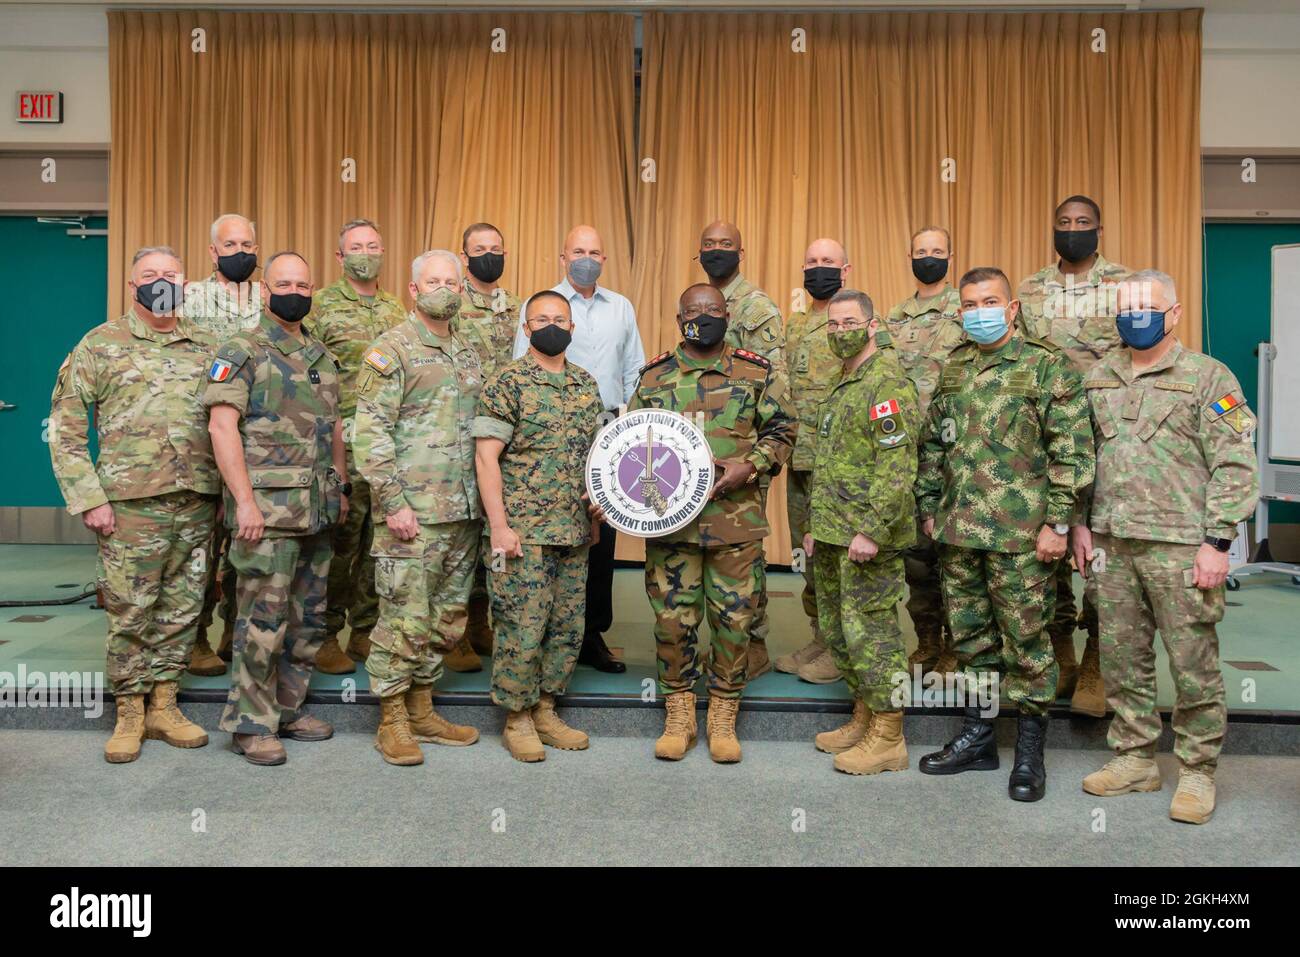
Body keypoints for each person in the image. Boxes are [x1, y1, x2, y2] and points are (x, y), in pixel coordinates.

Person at [1075, 270, 1259, 824]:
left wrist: (1218, 541)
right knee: (1121, 659)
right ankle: (1134, 759)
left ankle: (1198, 771)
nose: (1135, 316)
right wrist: (1079, 524)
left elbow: (1234, 463)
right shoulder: (1098, 376)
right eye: (1126, 307)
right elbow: (1081, 459)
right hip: (1110, 540)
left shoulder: (1209, 378)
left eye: (1147, 307)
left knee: (1191, 662)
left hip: (1182, 546)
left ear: (1173, 314)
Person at [915, 267, 1094, 802]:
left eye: (989, 301)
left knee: (1028, 646)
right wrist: (929, 506)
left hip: (1024, 538)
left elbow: (1074, 454)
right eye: (969, 304)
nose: (978, 312)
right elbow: (933, 443)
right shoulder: (954, 367)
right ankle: (979, 738)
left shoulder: (1047, 366)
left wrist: (1059, 523)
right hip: (960, 533)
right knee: (971, 641)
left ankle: (1031, 751)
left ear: (1012, 308)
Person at [50, 246, 219, 763]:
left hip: (196, 499)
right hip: (129, 504)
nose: (161, 282)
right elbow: (65, 430)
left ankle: (165, 703)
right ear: (132, 287)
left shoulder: (207, 345)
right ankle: (128, 709)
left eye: (171, 275)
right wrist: (88, 499)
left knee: (184, 607)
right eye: (150, 275)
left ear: (186, 284)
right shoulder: (100, 345)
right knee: (130, 609)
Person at [630, 284, 796, 764]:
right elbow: (630, 444)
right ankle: (679, 714)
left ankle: (723, 714)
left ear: (727, 314)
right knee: (672, 622)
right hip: (670, 525)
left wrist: (753, 464)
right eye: (693, 311)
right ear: (678, 317)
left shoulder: (755, 372)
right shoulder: (654, 377)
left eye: (712, 310)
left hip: (735, 523)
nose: (703, 316)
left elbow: (783, 428)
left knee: (734, 621)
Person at [205, 251, 349, 766]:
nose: (295, 291)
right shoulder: (242, 349)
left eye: (304, 284)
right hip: (265, 512)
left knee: (307, 619)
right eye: (285, 282)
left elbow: (333, 428)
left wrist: (341, 485)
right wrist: (243, 502)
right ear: (265, 289)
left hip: (316, 508)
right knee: (261, 620)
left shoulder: (320, 354)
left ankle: (287, 709)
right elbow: (222, 428)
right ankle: (251, 723)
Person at [353, 250, 486, 765]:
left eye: (452, 283)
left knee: (446, 620)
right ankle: (391, 722)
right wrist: (393, 504)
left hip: (462, 511)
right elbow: (371, 433)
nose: (445, 290)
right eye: (434, 282)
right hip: (412, 514)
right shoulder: (391, 350)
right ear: (413, 290)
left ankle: (423, 710)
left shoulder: (468, 349)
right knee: (403, 619)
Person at [513, 224, 646, 674]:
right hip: (548, 432)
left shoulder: (621, 307)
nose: (586, 258)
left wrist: (630, 430)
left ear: (603, 259)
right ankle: (540, 631)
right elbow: (521, 363)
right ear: (562, 257)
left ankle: (592, 634)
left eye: (594, 252)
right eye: (578, 251)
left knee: (600, 534)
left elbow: (634, 371)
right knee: (548, 531)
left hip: (606, 433)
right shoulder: (542, 306)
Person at [478, 291, 604, 762]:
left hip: (573, 530)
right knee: (521, 626)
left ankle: (547, 707)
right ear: (526, 329)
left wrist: (598, 515)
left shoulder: (586, 385)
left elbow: (598, 458)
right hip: (522, 532)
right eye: (541, 319)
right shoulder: (506, 382)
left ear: (573, 328)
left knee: (566, 626)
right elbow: (485, 457)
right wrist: (498, 525)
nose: (552, 326)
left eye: (560, 319)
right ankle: (517, 716)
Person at [1017, 196, 1130, 715]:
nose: (1072, 230)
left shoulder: (1124, 286)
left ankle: (1097, 660)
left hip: (1109, 434)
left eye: (1082, 223)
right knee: (1051, 539)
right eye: (1063, 223)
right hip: (1046, 436)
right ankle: (1059, 647)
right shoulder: (1031, 288)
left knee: (1100, 546)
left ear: (1099, 229)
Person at [808, 289, 919, 775]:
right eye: (832, 324)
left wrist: (873, 530)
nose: (839, 332)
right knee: (839, 632)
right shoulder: (843, 379)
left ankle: (890, 735)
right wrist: (815, 527)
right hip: (833, 533)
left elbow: (897, 465)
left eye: (849, 322)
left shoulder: (886, 382)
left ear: (872, 326)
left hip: (867, 539)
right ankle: (865, 714)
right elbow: (829, 464)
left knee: (873, 635)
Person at [306, 219, 407, 675]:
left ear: (383, 252)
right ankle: (325, 633)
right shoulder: (320, 307)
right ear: (340, 256)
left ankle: (365, 629)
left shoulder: (396, 308)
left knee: (376, 546)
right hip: (336, 446)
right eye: (355, 247)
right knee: (339, 544)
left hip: (384, 446)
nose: (365, 253)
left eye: (372, 245)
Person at [696, 219, 786, 679]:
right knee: (708, 547)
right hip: (701, 448)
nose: (716, 251)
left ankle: (752, 643)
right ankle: (723, 641)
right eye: (708, 244)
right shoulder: (698, 299)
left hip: (744, 454)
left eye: (725, 244)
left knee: (743, 550)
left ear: (740, 251)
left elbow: (774, 385)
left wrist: (755, 461)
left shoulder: (758, 309)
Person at [183, 213, 264, 677]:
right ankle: (195, 637)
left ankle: (238, 633)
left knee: (248, 542)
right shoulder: (188, 298)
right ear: (213, 251)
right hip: (201, 436)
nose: (240, 252)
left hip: (257, 442)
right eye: (230, 245)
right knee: (202, 547)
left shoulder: (269, 295)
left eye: (247, 243)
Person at [884, 226, 966, 677]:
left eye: (937, 251)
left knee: (953, 553)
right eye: (921, 251)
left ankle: (958, 644)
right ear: (909, 256)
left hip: (955, 450)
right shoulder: (895, 316)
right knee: (916, 556)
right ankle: (928, 639)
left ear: (950, 256)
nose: (928, 258)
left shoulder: (965, 310)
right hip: (909, 450)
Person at [774, 238, 851, 684]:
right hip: (800, 460)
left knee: (837, 556)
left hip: (838, 464)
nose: (819, 269)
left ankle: (841, 648)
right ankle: (821, 637)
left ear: (847, 269)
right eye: (812, 262)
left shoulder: (853, 321)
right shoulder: (797, 322)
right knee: (810, 556)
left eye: (828, 262)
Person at [457, 222, 522, 659]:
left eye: (496, 249)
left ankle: (482, 622)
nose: (489, 256)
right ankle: (455, 632)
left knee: (491, 528)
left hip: (504, 435)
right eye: (480, 249)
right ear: (464, 256)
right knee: (461, 533)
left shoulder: (517, 307)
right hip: (458, 431)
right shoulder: (450, 302)